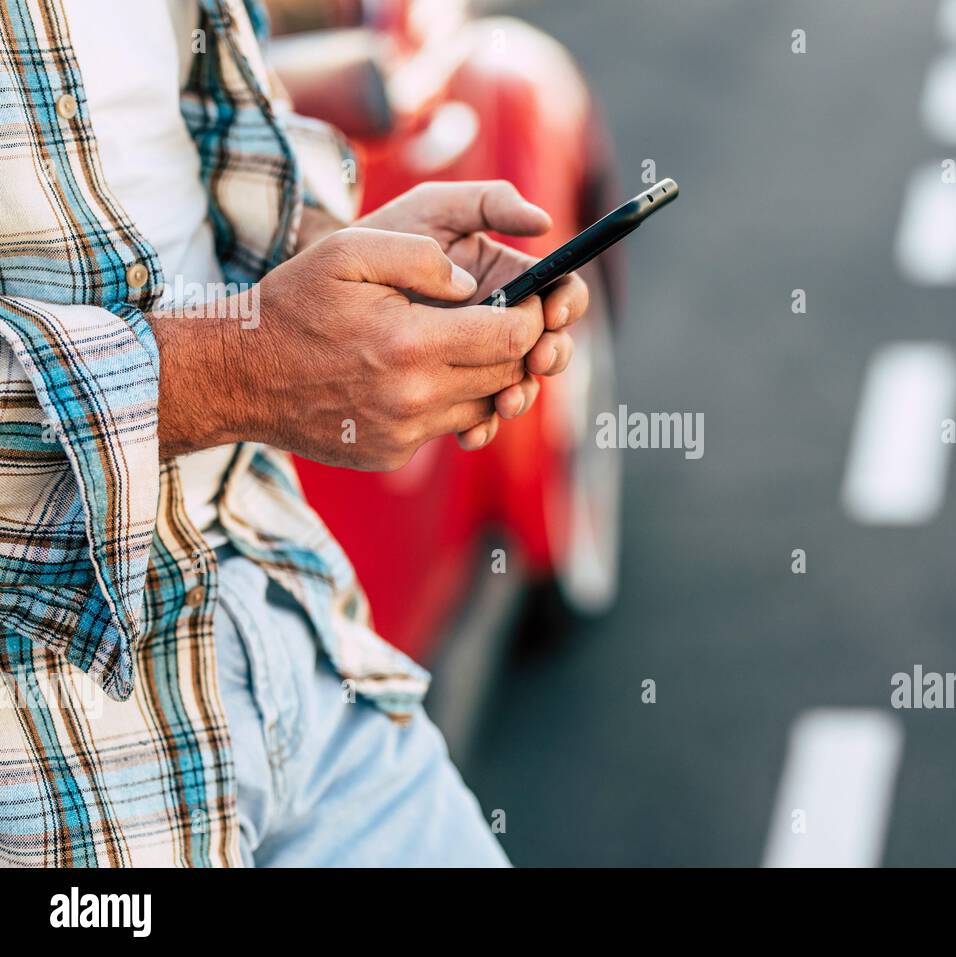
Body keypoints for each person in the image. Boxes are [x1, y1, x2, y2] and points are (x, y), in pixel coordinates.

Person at [0, 0, 587, 866]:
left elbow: (183, 139)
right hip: (51, 780)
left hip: (282, 628)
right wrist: (246, 371)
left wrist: (348, 265)